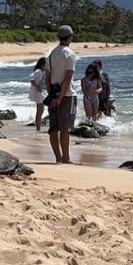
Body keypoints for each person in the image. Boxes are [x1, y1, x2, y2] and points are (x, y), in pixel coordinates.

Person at [46, 25, 78, 163]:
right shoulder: (70, 54)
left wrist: (52, 96)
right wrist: (60, 98)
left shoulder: (51, 54)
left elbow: (47, 77)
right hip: (68, 94)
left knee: (54, 128)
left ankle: (58, 158)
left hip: (53, 93)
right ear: (70, 37)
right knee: (65, 128)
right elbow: (68, 77)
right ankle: (66, 158)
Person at [29, 57, 47, 131]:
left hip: (42, 92)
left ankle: (38, 126)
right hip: (39, 93)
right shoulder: (38, 71)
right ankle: (38, 128)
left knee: (41, 110)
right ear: (42, 65)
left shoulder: (43, 71)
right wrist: (37, 87)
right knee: (39, 110)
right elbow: (31, 78)